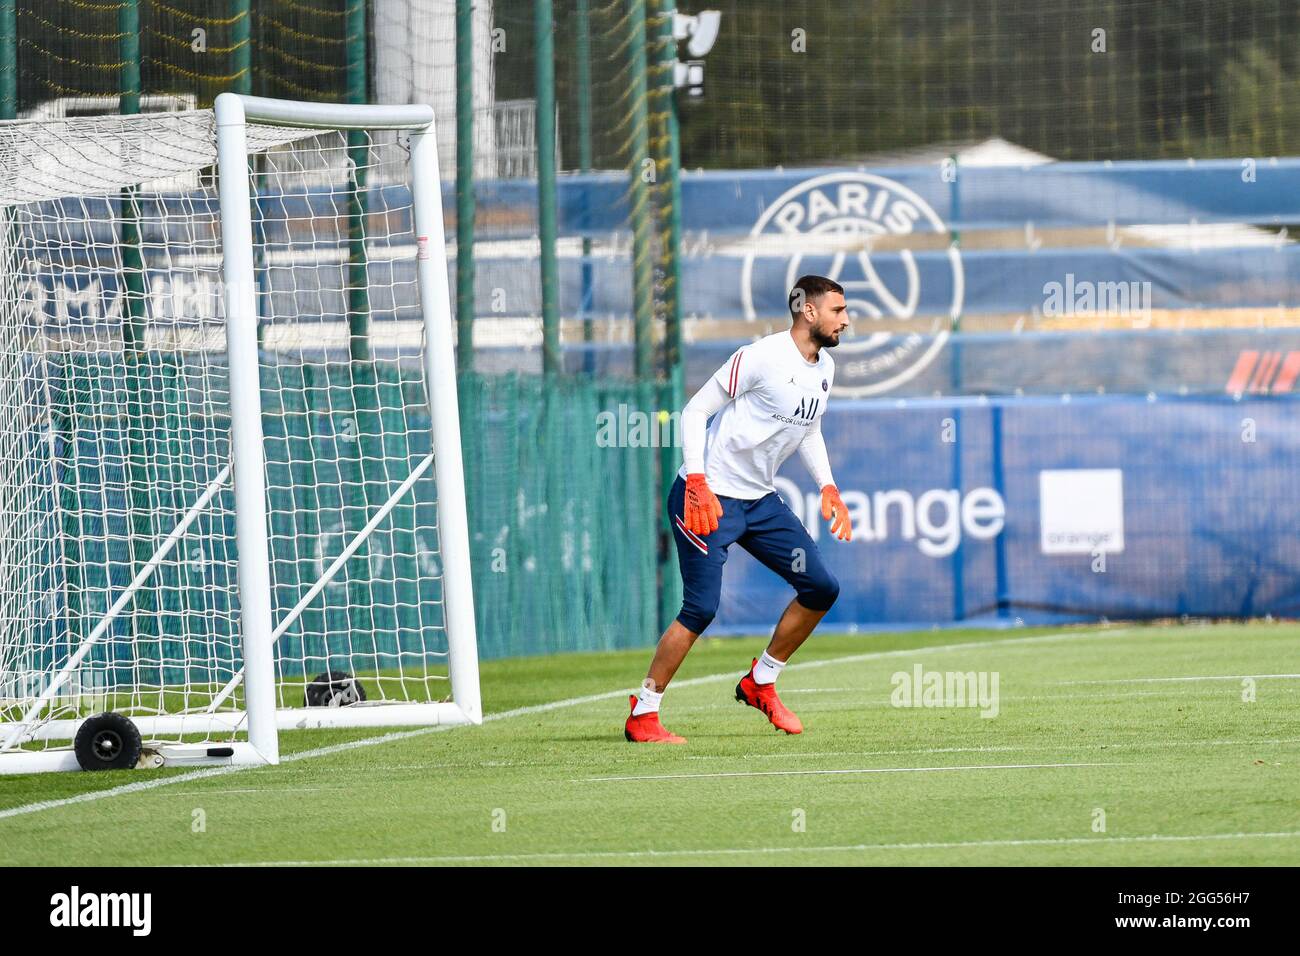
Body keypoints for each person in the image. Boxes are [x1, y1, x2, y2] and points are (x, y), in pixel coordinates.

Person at [625, 275, 853, 743]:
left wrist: (828, 485)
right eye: (837, 311)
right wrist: (698, 481)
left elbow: (809, 430)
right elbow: (694, 412)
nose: (845, 320)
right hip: (706, 498)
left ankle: (761, 681)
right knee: (701, 608)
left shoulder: (824, 367)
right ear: (808, 311)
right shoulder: (761, 357)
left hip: (759, 501)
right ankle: (644, 712)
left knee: (821, 587)